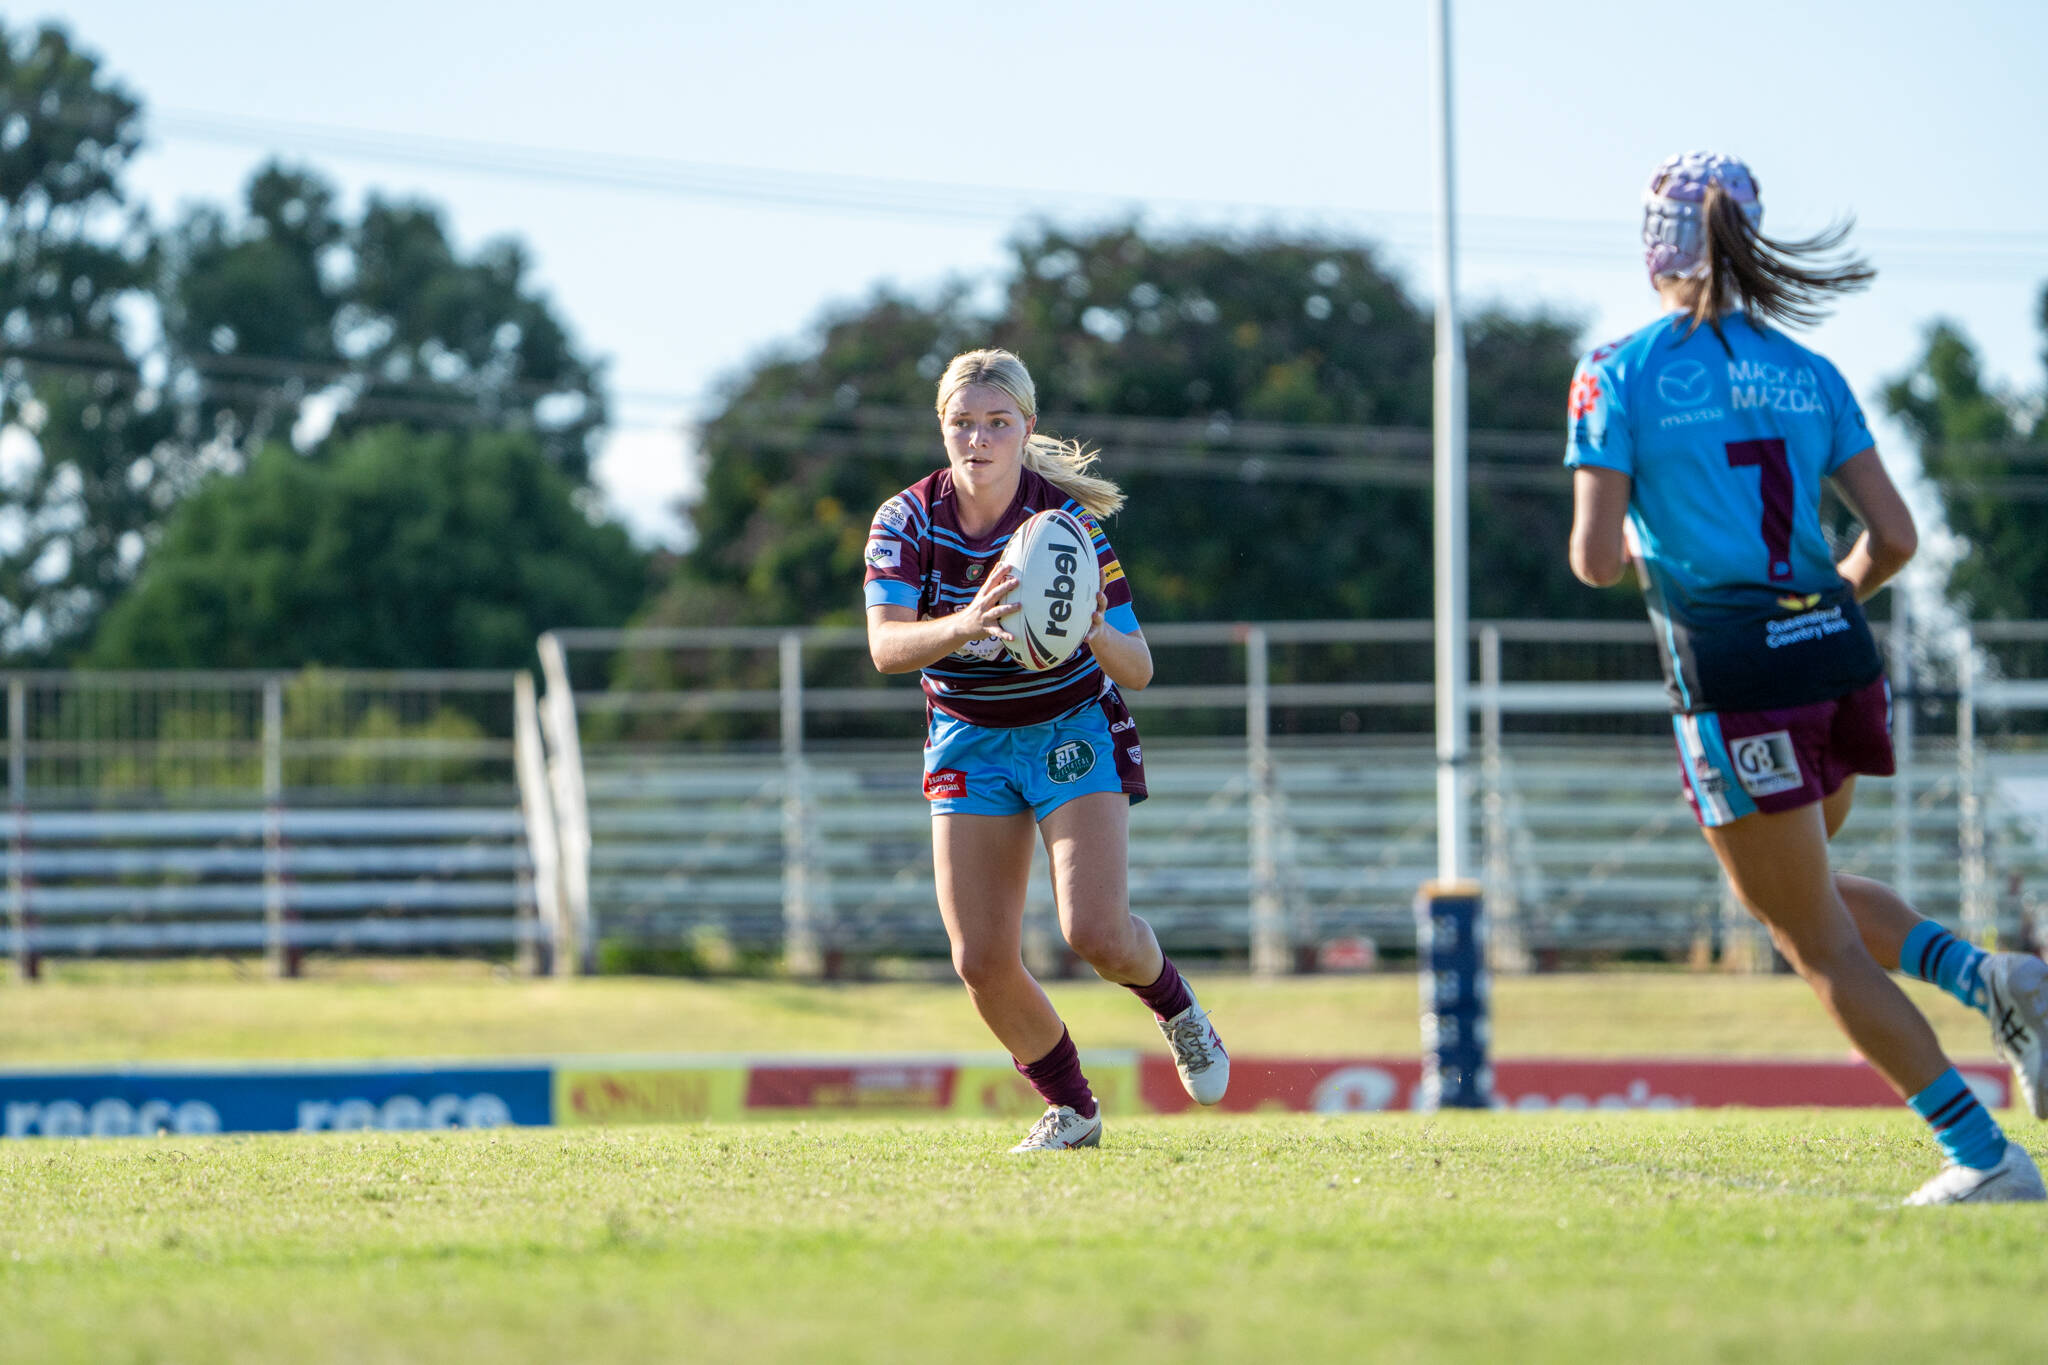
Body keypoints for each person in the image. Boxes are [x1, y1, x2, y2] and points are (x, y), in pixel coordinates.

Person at [1565, 151, 2048, 1205]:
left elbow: (1594, 561)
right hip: (1835, 657)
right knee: (1806, 890)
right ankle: (1992, 979)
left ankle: (1980, 1157)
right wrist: (1815, 603)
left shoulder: (1618, 371)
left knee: (1808, 935)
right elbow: (1893, 537)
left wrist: (1672, 548)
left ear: (1654, 241)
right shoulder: (1807, 371)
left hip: (1735, 675)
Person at [863, 348, 1228, 1152]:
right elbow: (886, 648)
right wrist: (969, 621)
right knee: (980, 959)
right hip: (969, 735)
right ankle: (1073, 1109)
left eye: (998, 423)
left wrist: (1092, 625)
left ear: (1026, 429)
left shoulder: (1069, 528)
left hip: (1070, 727)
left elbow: (1141, 665)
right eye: (963, 423)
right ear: (943, 429)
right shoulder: (907, 520)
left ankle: (1177, 1008)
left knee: (1095, 932)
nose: (979, 439)